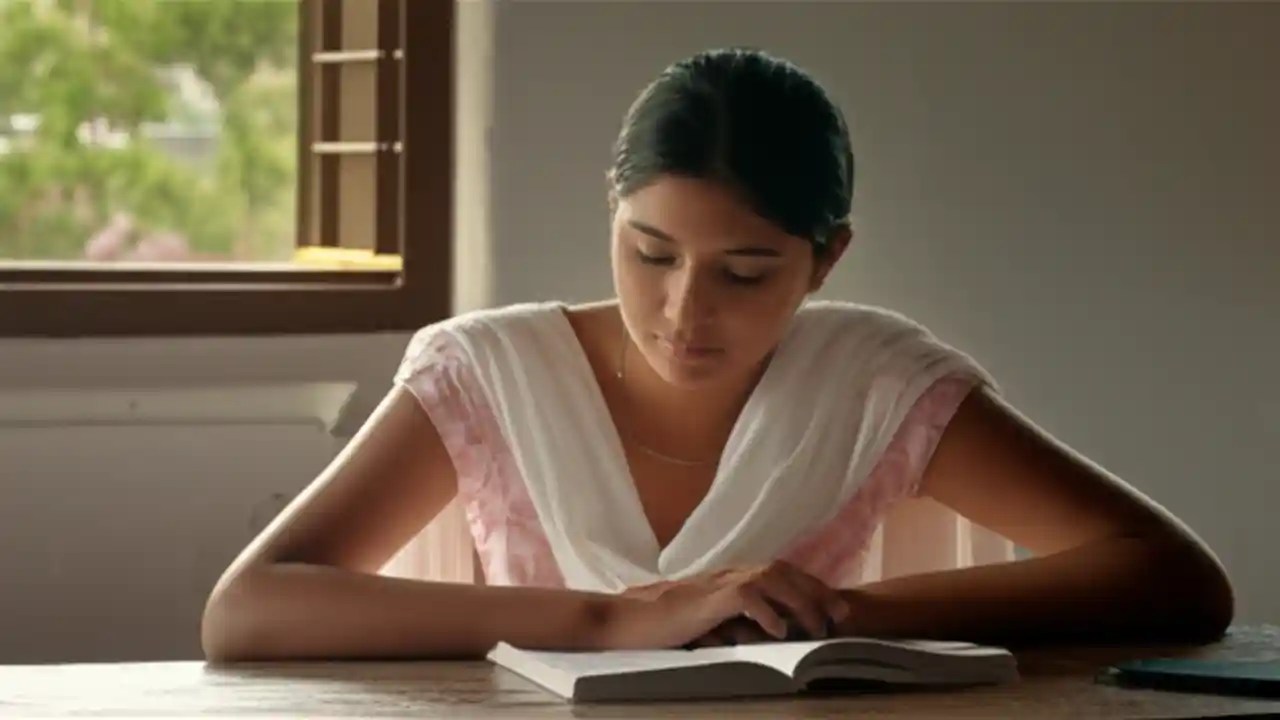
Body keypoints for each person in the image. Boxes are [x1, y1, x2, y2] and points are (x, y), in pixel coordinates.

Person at [201, 48, 1233, 662]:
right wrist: (613, 620)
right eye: (650, 254)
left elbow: (1173, 578)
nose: (681, 312)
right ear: (612, 214)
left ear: (826, 259)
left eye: (743, 272)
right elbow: (250, 608)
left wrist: (831, 615)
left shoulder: (871, 382)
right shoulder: (491, 373)